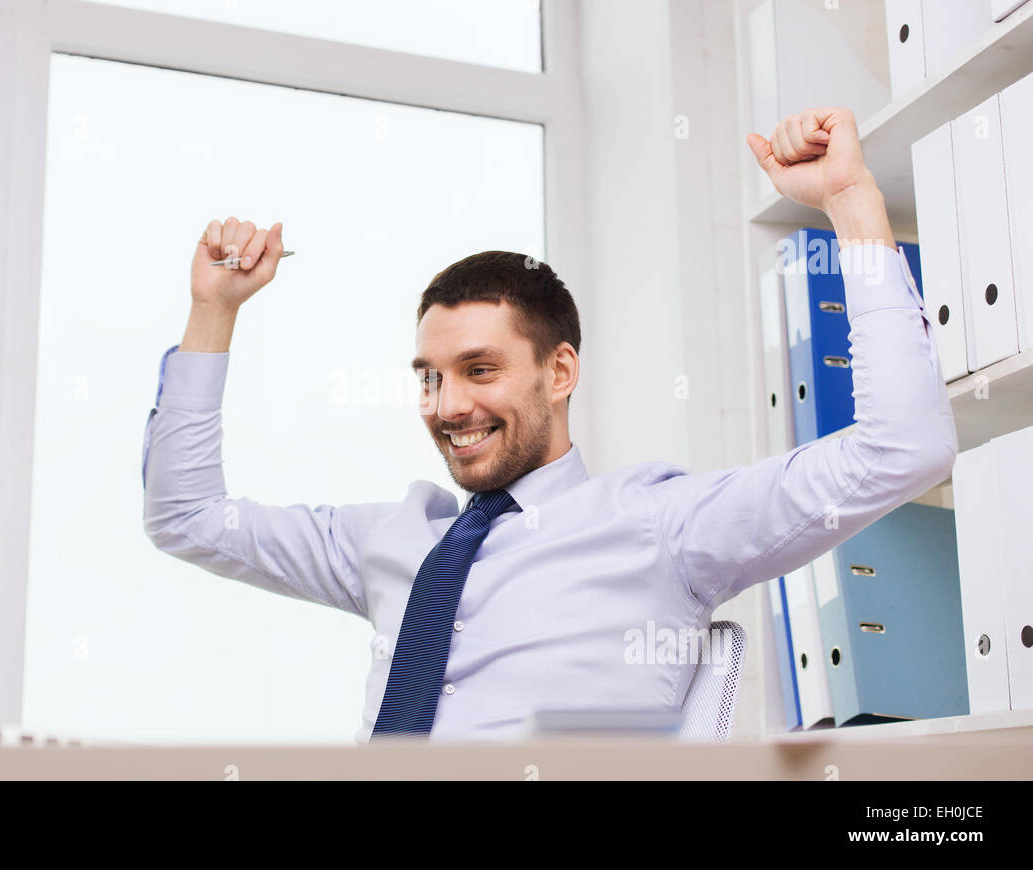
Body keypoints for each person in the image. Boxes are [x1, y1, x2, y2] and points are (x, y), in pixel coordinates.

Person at [141, 107, 956, 743]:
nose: (447, 406)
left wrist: (850, 202)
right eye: (429, 377)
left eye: (479, 370)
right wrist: (213, 310)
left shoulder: (661, 527)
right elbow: (186, 518)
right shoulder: (389, 541)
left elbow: (904, 450)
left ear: (559, 372)